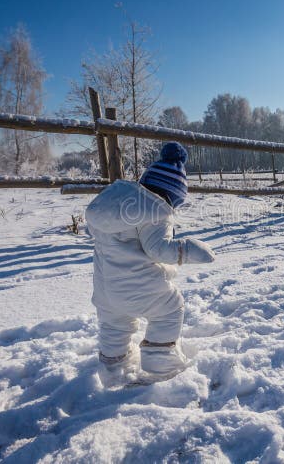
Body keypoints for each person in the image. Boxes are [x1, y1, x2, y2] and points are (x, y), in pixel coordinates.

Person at [85, 142, 215, 385]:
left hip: (104, 288)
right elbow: (159, 250)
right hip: (136, 286)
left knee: (114, 323)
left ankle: (113, 362)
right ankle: (160, 360)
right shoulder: (156, 211)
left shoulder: (116, 207)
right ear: (172, 196)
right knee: (170, 308)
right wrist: (189, 249)